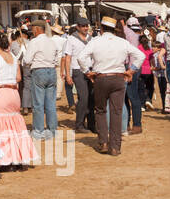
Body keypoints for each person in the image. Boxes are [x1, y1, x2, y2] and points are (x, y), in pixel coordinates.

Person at [79, 17, 145, 157]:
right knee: (116, 112)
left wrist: (87, 72)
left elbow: (81, 57)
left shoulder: (95, 41)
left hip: (101, 78)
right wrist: (131, 70)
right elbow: (140, 55)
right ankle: (115, 146)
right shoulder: (122, 42)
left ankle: (103, 142)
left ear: (101, 29)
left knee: (100, 110)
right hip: (118, 78)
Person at [0, 29, 36, 167]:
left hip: (0, 93)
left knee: (0, 126)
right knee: (15, 125)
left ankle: (3, 159)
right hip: (13, 93)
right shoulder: (12, 57)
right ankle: (17, 157)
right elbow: (18, 78)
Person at [22, 21, 60, 140]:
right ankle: (52, 130)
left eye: (33, 29)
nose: (32, 31)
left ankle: (38, 131)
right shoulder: (52, 41)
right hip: (51, 71)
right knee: (51, 103)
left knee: (38, 104)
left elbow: (27, 60)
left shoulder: (34, 42)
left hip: (39, 71)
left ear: (38, 29)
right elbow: (56, 59)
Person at [62, 17, 95, 133]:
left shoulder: (91, 39)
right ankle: (79, 124)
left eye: (87, 25)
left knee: (92, 98)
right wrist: (68, 75)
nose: (86, 28)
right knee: (83, 97)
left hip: (90, 70)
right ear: (77, 27)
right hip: (77, 70)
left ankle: (92, 124)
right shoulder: (71, 39)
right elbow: (67, 57)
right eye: (83, 26)